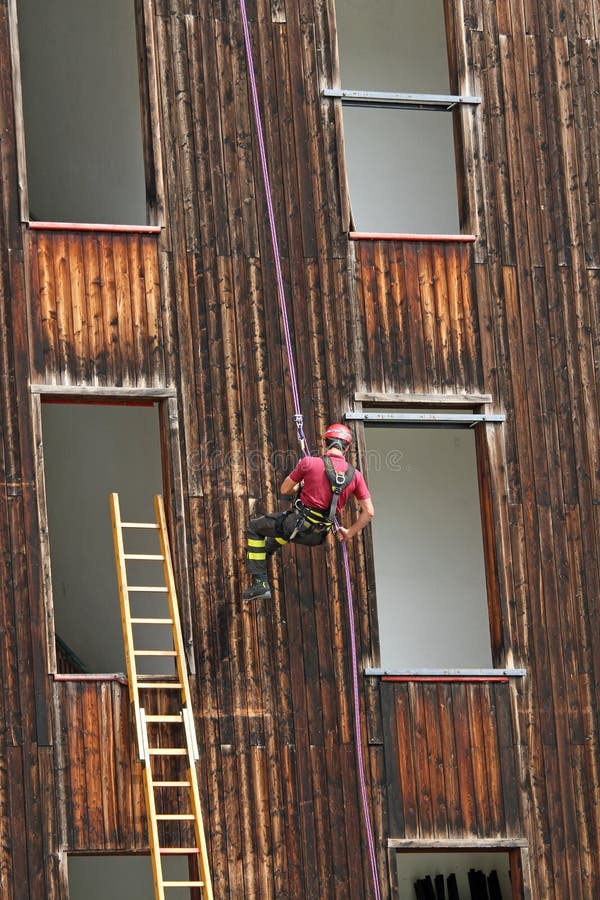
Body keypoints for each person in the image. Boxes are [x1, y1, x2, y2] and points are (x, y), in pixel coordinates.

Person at [243, 423, 375, 600]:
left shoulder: (309, 463)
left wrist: (302, 485)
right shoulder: (355, 475)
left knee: (255, 527)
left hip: (297, 524)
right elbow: (369, 512)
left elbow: (285, 489)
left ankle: (260, 583)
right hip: (318, 535)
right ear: (347, 447)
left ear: (324, 442)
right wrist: (349, 533)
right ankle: (266, 550)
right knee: (281, 533)